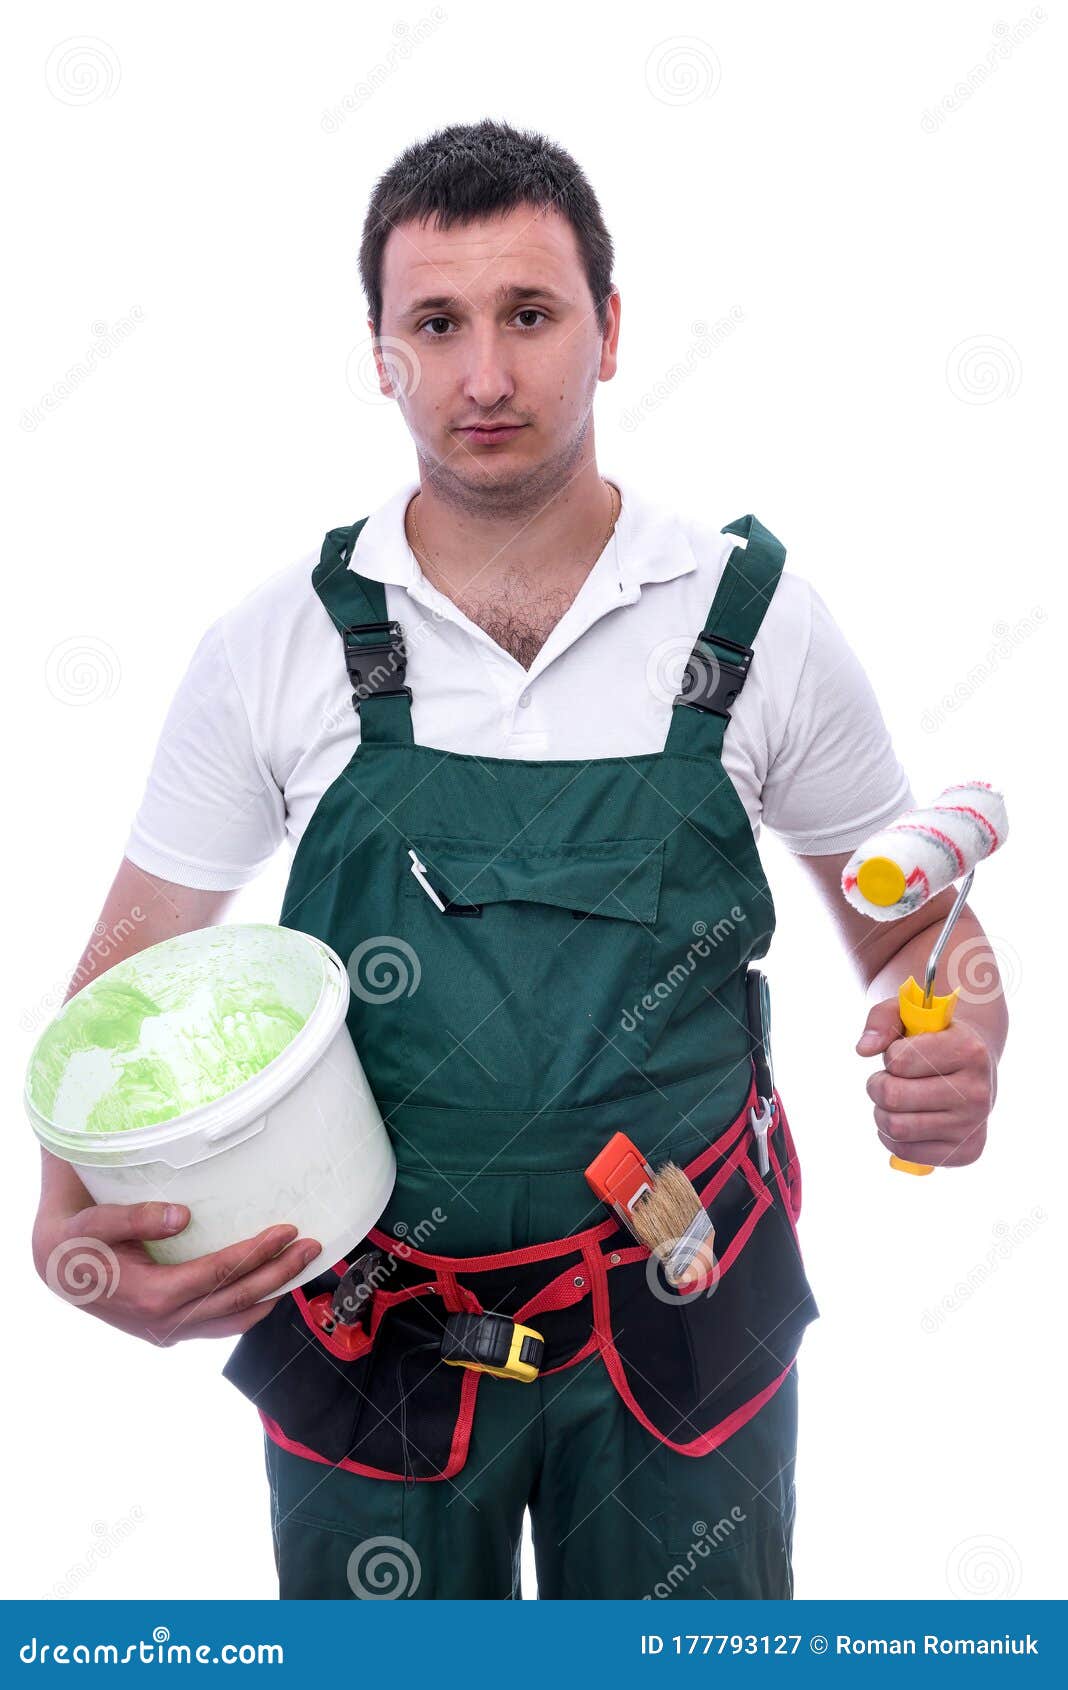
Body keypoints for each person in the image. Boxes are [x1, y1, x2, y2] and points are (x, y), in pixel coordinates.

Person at [32, 119, 1007, 1601]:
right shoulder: (278, 643)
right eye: (438, 322)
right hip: (376, 1333)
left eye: (530, 315)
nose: (485, 375)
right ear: (382, 353)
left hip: (690, 1309)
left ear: (609, 331)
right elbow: (116, 991)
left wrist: (967, 1027)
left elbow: (913, 931)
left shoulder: (756, 620)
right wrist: (70, 1240)